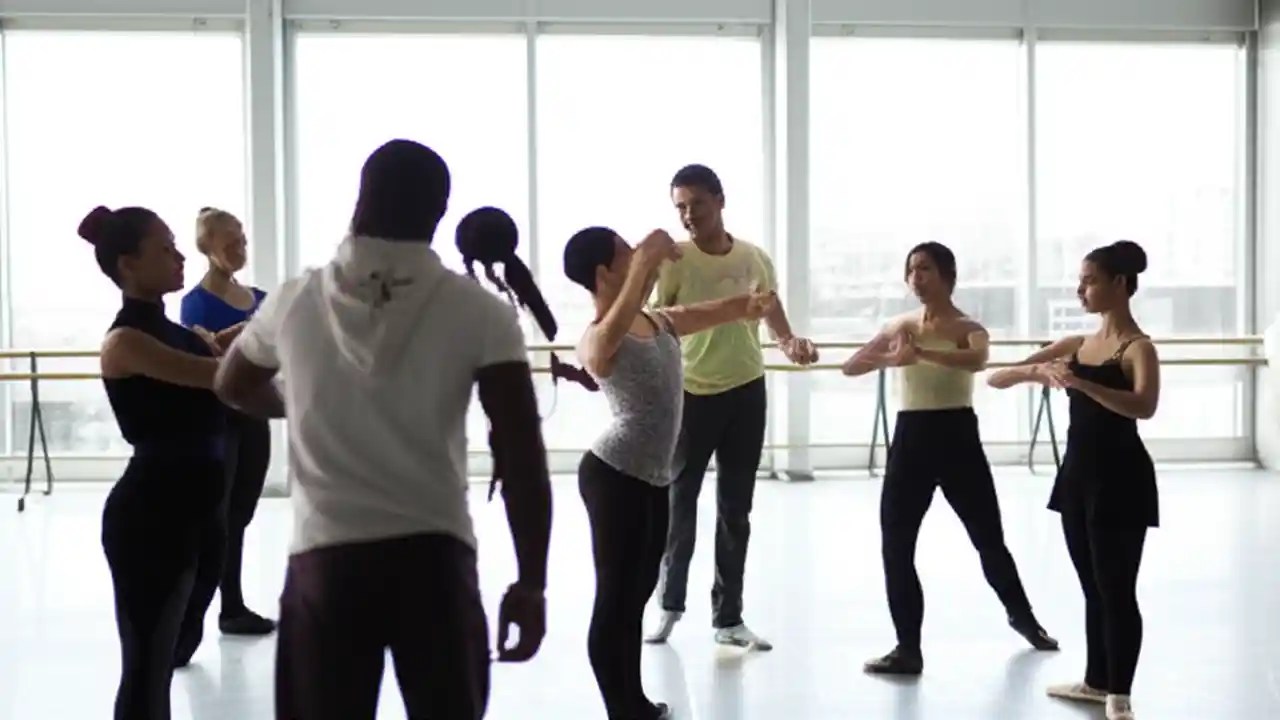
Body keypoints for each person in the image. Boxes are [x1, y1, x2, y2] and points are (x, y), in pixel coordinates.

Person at [212, 139, 551, 720]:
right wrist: (531, 582)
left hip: (326, 560)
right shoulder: (478, 311)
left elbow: (231, 384)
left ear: (360, 199)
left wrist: (305, 406)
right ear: (439, 212)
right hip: (436, 561)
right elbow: (521, 454)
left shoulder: (294, 301)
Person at [565, 225, 778, 720]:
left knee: (637, 594)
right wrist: (646, 263)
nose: (637, 253)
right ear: (604, 271)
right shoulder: (598, 334)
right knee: (615, 596)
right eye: (626, 251)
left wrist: (741, 308)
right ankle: (620, 708)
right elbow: (600, 355)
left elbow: (697, 314)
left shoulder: (652, 320)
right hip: (613, 475)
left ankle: (634, 700)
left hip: (652, 478)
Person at [81, 205, 280, 719]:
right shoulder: (125, 342)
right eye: (165, 248)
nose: (178, 257)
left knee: (174, 651)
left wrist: (260, 330)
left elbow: (220, 364)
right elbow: (219, 378)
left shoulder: (182, 334)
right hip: (150, 520)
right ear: (127, 264)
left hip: (200, 518)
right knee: (147, 673)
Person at [842, 242, 1058, 676]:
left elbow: (977, 360)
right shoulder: (899, 324)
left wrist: (918, 353)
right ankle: (907, 648)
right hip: (911, 439)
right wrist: (890, 356)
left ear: (946, 276)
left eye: (924, 268)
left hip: (956, 436)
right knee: (896, 545)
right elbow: (852, 366)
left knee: (988, 538)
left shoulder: (968, 326)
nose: (915, 277)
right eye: (910, 270)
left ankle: (1024, 618)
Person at [647, 164, 817, 650]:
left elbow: (771, 307)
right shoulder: (674, 261)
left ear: (720, 201)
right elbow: (661, 322)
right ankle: (670, 607)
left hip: (747, 391)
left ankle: (729, 618)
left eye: (696, 203)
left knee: (736, 510)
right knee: (680, 505)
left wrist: (789, 341)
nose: (688, 214)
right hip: (693, 394)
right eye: (680, 206)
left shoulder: (754, 258)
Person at [988, 240, 1156, 720]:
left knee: (1117, 587)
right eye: (1081, 281)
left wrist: (1082, 383)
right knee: (1091, 587)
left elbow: (1144, 405)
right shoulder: (1076, 345)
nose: (1081, 289)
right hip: (1078, 479)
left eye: (1090, 280)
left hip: (1122, 480)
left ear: (1120, 285)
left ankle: (1119, 693)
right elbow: (997, 378)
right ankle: (1095, 680)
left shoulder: (1137, 347)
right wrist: (1035, 371)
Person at [179, 207, 276, 638]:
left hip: (254, 415)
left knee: (240, 514)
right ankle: (203, 610)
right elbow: (206, 356)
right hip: (220, 419)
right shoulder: (195, 302)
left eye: (242, 241)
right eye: (229, 243)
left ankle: (232, 606)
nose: (239, 249)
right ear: (208, 247)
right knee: (217, 517)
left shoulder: (259, 296)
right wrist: (250, 328)